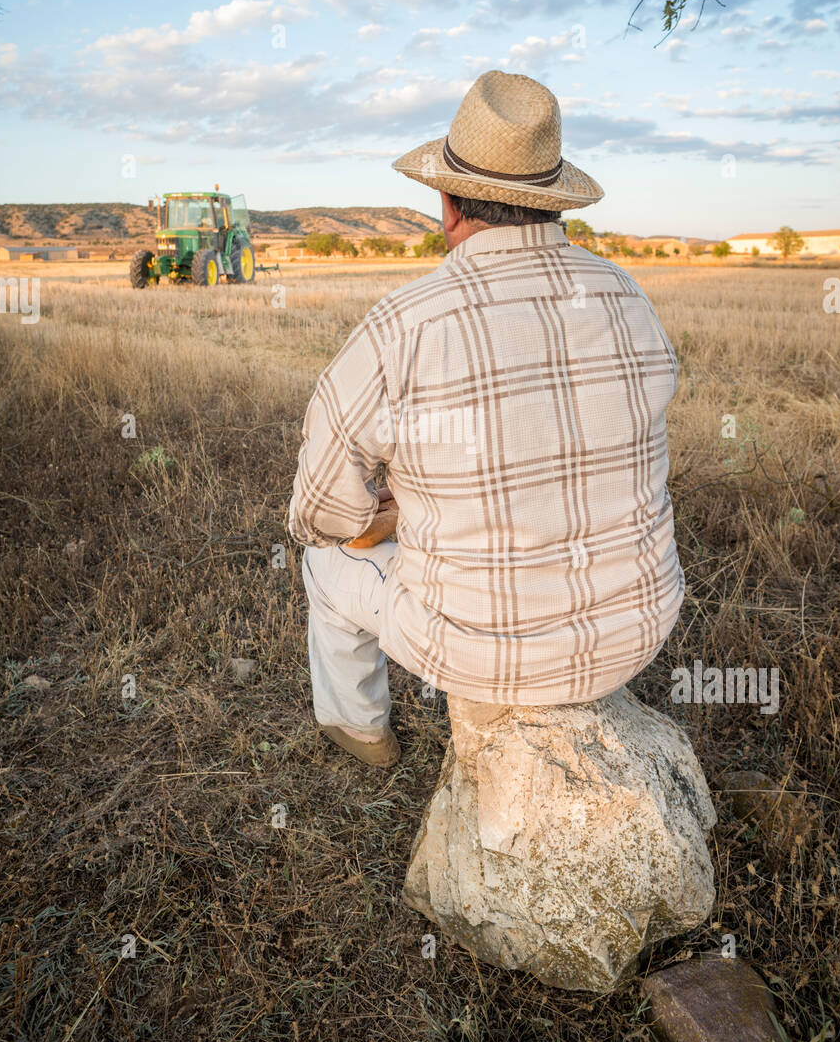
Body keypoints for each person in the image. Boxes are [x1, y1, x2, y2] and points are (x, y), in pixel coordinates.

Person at [288, 70, 684, 767]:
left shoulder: (402, 324)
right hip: (639, 630)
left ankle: (358, 729)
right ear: (554, 201)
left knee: (324, 563)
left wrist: (384, 513)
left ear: (446, 204)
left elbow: (322, 508)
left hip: (481, 652)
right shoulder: (626, 294)